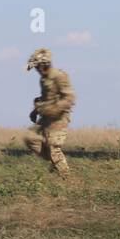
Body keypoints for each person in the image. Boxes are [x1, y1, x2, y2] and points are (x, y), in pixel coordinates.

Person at [23, 48, 75, 177]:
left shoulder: (59, 76)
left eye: (38, 67)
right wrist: (36, 110)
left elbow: (69, 97)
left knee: (53, 148)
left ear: (44, 65)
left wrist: (54, 109)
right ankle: (55, 162)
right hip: (45, 119)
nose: (37, 70)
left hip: (58, 119)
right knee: (30, 138)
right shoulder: (44, 80)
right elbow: (46, 98)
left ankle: (66, 177)